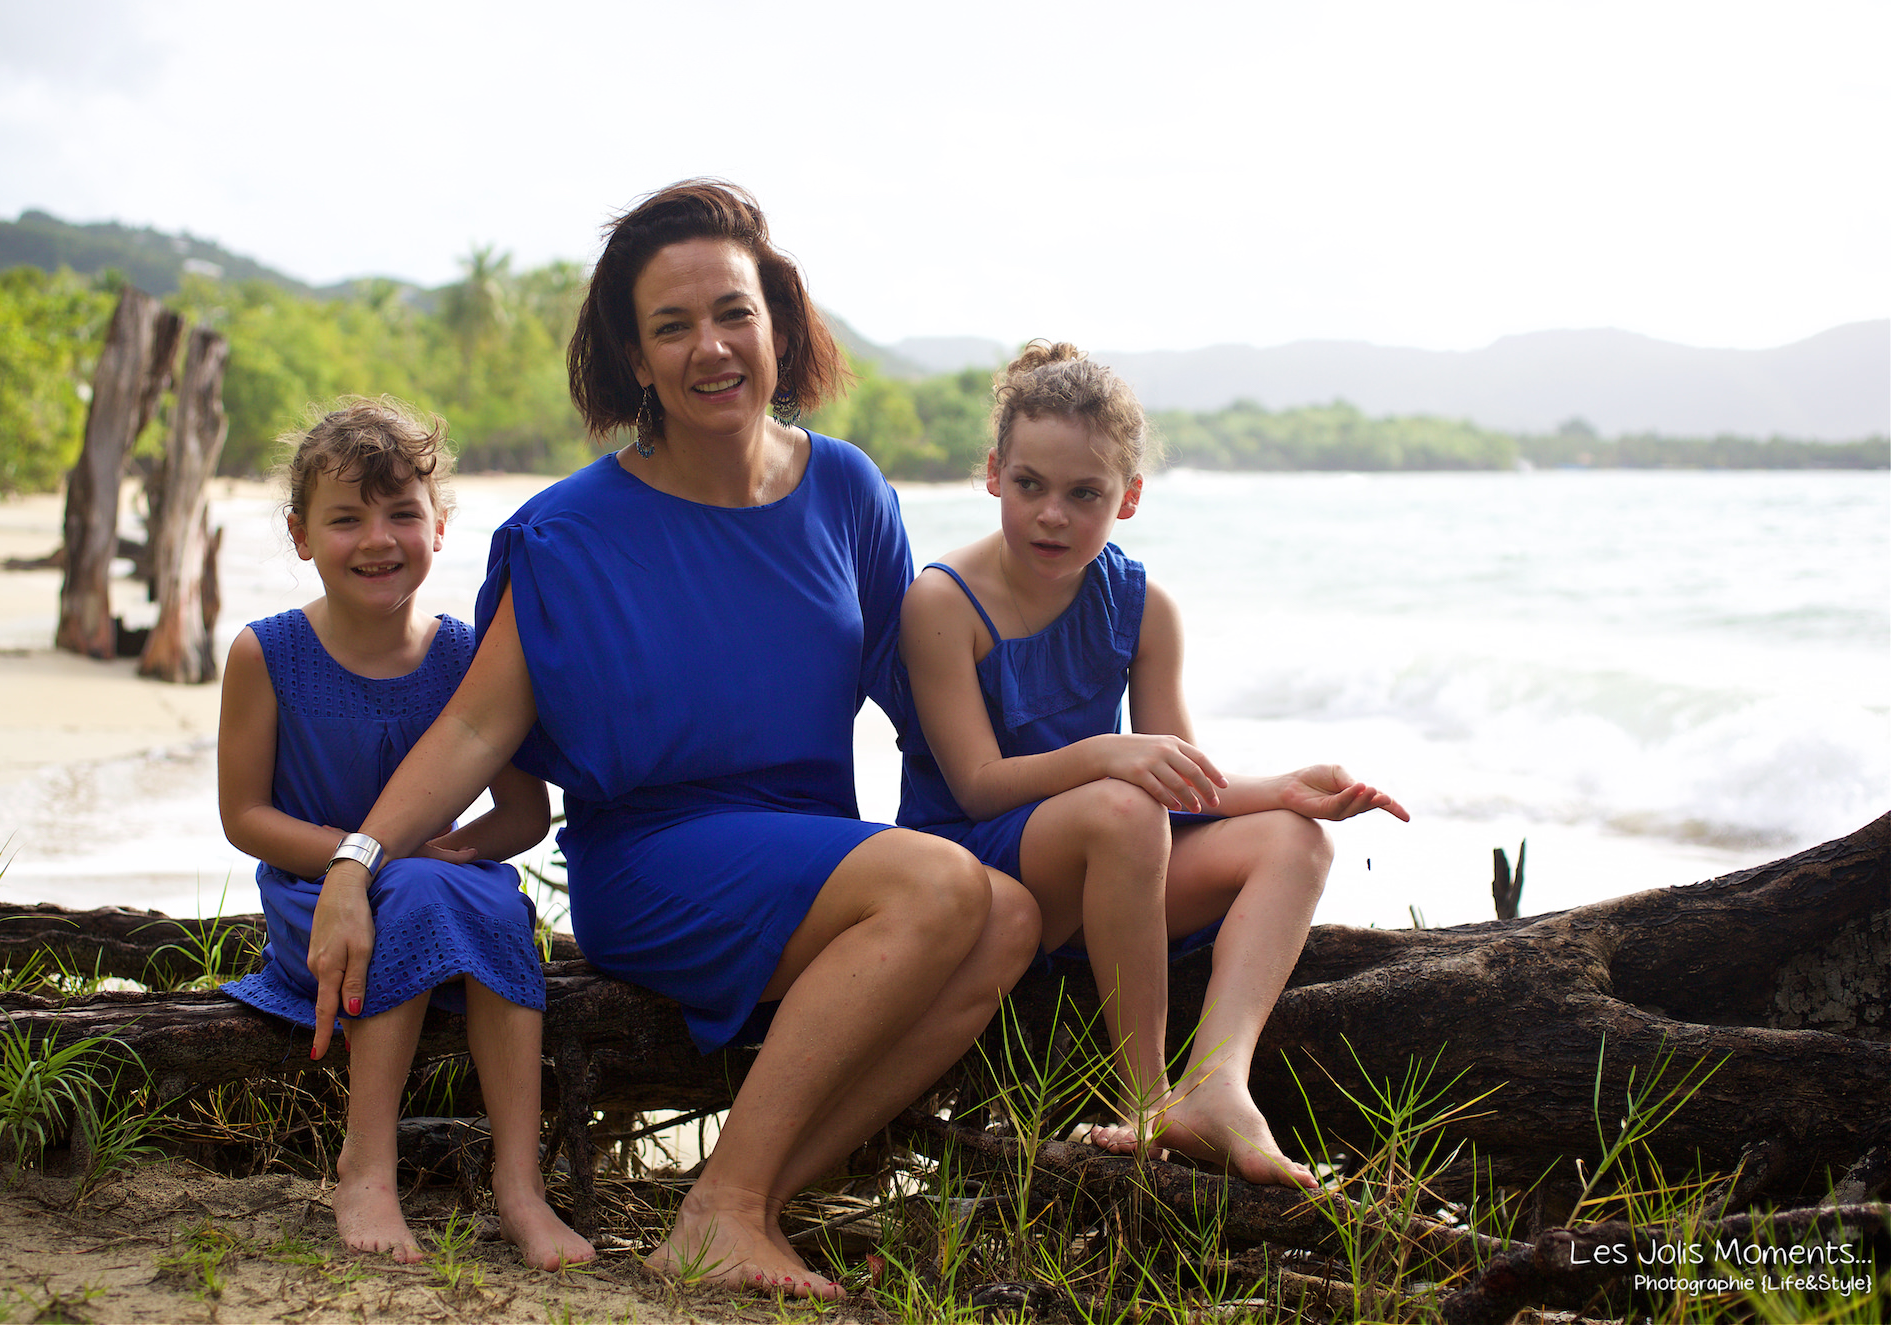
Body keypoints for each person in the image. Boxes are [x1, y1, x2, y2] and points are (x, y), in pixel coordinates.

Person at [303, 182, 1041, 1301]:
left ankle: (749, 1202)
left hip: (815, 853)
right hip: (652, 862)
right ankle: (722, 1208)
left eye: (733, 313)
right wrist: (357, 862)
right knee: (939, 891)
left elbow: (929, 697)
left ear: (777, 327)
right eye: (672, 327)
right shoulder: (566, 533)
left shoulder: (845, 489)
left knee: (1012, 916)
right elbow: (472, 724)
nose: (711, 347)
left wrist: (1123, 778)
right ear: (633, 361)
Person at [896, 342, 1410, 1189]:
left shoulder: (1143, 607)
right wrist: (1106, 756)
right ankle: (1148, 1095)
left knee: (1295, 842)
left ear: (1127, 498)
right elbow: (976, 785)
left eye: (1084, 493)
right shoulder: (943, 601)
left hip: (1111, 870)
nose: (1052, 514)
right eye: (1029, 484)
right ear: (993, 473)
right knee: (1124, 809)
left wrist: (1283, 790)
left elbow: (1181, 783)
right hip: (980, 876)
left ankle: (1218, 1086)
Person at [217, 398, 593, 1269]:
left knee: (479, 892)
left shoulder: (468, 656)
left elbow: (524, 814)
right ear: (301, 533)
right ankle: (366, 1166)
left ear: (441, 525)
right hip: (318, 902)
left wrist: (440, 856)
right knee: (420, 889)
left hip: (440, 891)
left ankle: (520, 1186)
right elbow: (245, 817)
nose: (377, 538)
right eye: (345, 518)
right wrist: (372, 858)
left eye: (401, 514)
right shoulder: (266, 653)